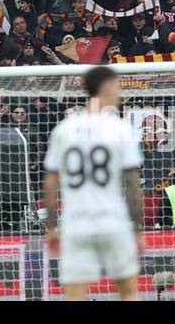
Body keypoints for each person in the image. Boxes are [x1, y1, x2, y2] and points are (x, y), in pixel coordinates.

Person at [43, 66, 144, 301]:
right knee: (129, 292)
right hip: (113, 221)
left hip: (76, 224)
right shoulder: (120, 129)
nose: (119, 93)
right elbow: (132, 184)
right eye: (117, 87)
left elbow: (50, 184)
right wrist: (137, 231)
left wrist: (51, 227)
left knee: (75, 295)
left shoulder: (63, 130)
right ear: (106, 87)